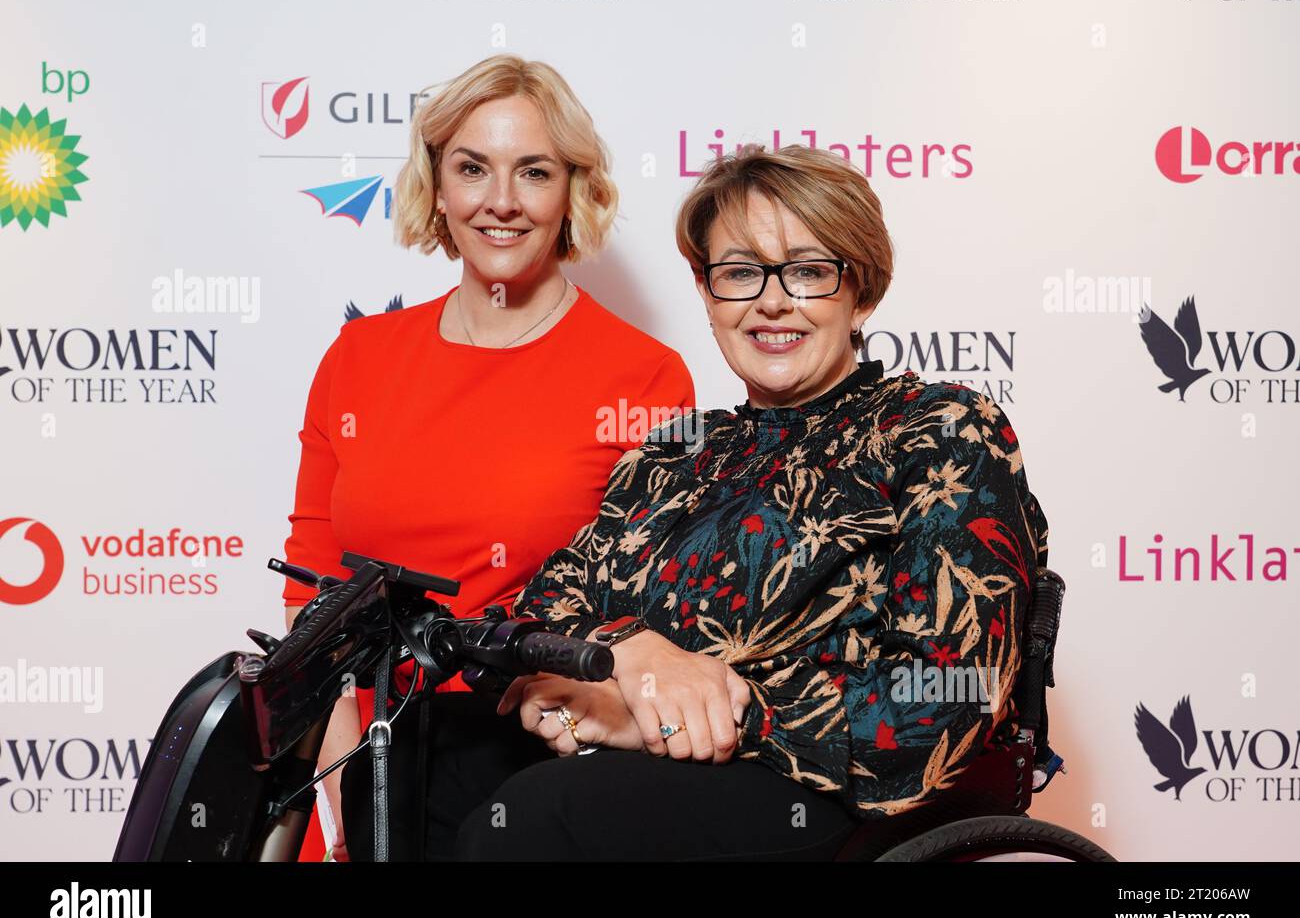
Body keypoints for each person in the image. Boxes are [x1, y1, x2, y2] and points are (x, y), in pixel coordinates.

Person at [455, 143, 1051, 860]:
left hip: (832, 791)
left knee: (539, 814)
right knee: (421, 763)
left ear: (859, 291)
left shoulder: (938, 428)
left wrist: (688, 717)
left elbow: (947, 695)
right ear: (708, 294)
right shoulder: (672, 454)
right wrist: (629, 658)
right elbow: (544, 608)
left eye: (806, 270)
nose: (772, 300)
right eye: (740, 273)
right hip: (650, 770)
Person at [282, 54, 694, 861]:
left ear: (571, 191)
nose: (501, 201)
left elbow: (650, 620)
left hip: (531, 767)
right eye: (473, 168)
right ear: (437, 186)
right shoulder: (358, 358)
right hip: (355, 754)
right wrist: (335, 791)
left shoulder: (644, 375)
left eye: (533, 172)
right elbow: (311, 589)